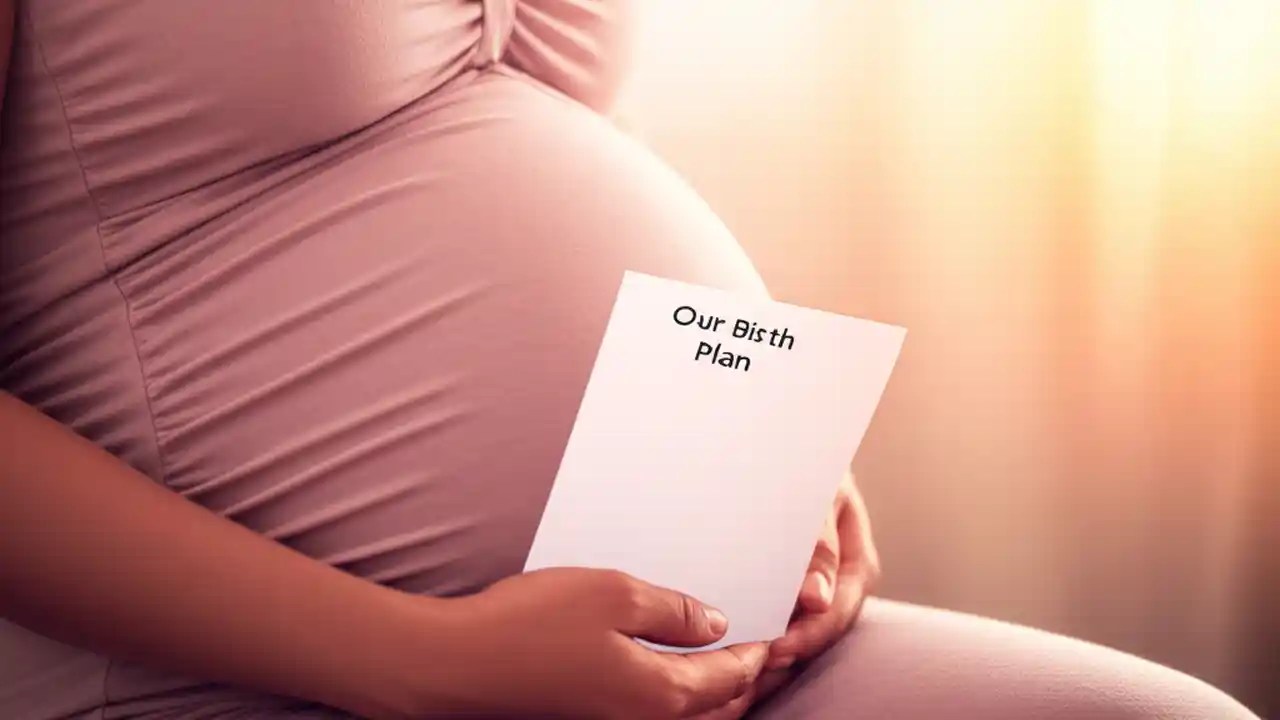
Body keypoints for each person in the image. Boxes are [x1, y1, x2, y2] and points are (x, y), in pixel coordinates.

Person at [0, 2, 1260, 718]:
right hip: (229, 684)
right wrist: (428, 668)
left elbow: (511, 140)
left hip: (653, 673)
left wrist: (762, 465)